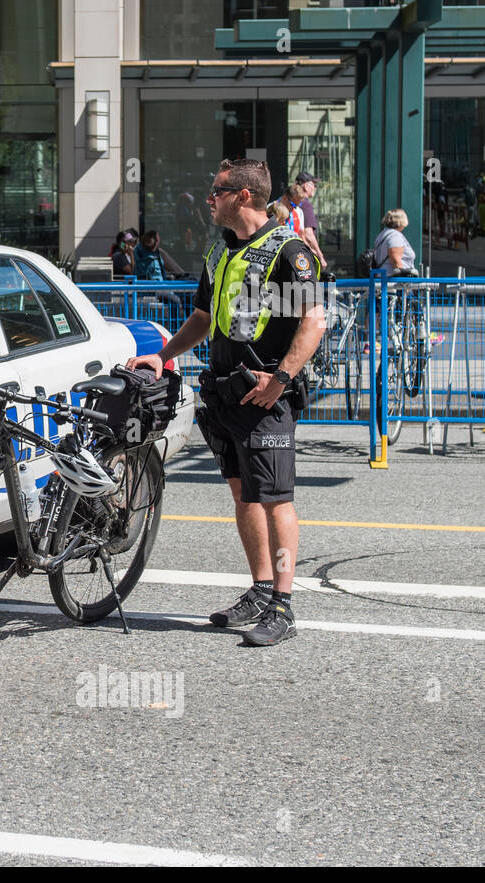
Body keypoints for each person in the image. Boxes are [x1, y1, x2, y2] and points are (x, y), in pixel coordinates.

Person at [128, 157, 326, 647]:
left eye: (217, 191)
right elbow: (201, 317)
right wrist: (162, 355)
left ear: (243, 196)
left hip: (265, 396)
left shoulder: (288, 250)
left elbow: (315, 320)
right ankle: (260, 590)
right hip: (222, 392)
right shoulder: (221, 252)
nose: (209, 199)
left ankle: (283, 604)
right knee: (244, 495)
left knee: (276, 499)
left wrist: (281, 379)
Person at [294, 172, 327, 271]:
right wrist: (320, 256)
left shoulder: (293, 203)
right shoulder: (305, 204)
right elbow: (308, 233)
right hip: (302, 255)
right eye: (314, 185)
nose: (315, 188)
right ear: (306, 186)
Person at [372, 208, 416, 275]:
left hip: (384, 278)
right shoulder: (395, 236)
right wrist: (403, 280)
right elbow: (395, 260)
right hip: (394, 281)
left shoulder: (382, 234)